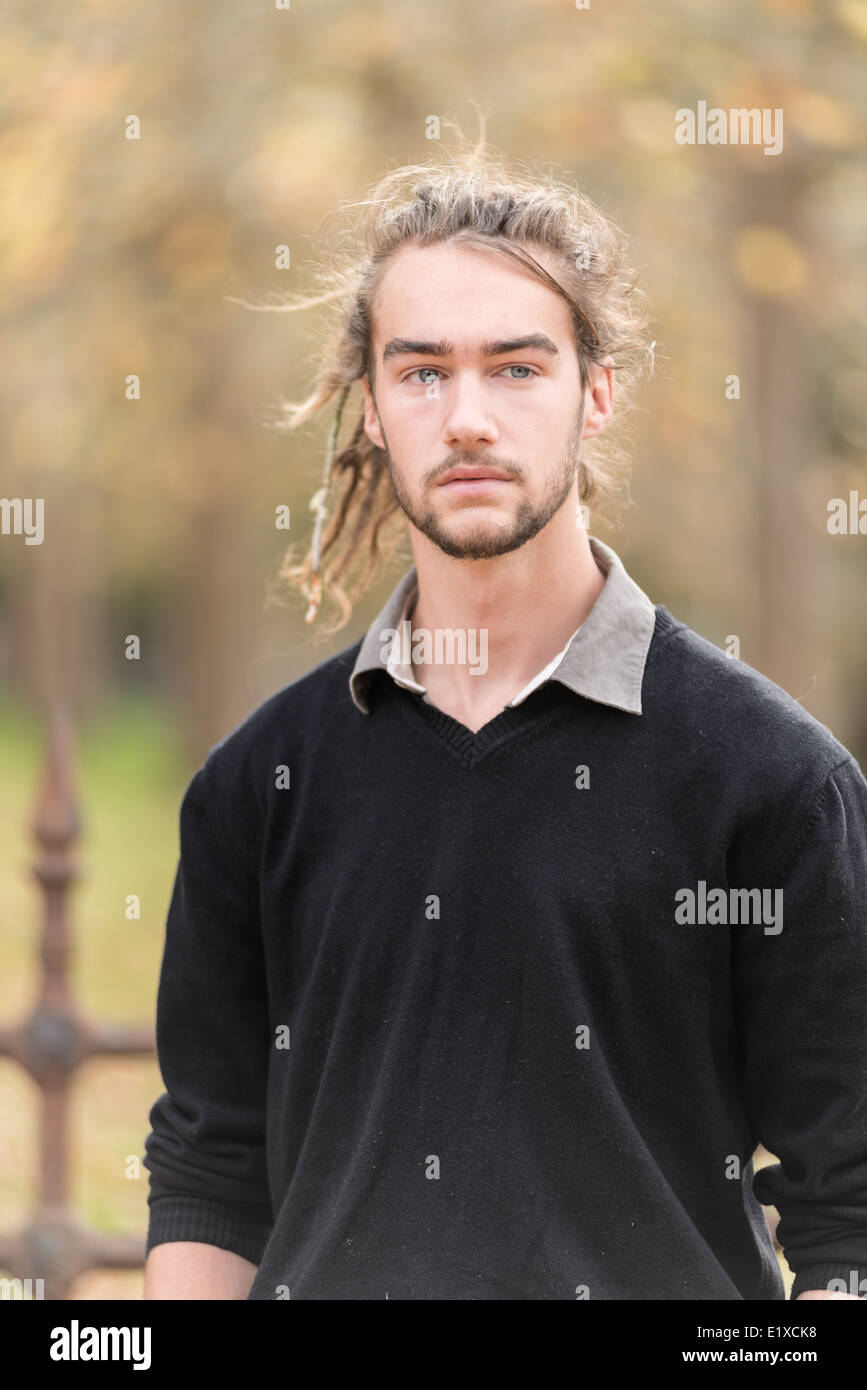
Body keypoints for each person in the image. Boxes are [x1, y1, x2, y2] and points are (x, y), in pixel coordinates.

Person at [142, 139, 867, 1300]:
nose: (467, 416)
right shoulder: (257, 785)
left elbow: (852, 1207)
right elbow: (212, 1167)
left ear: (598, 389)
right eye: (422, 372)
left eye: (517, 368)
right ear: (370, 408)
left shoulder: (773, 782)